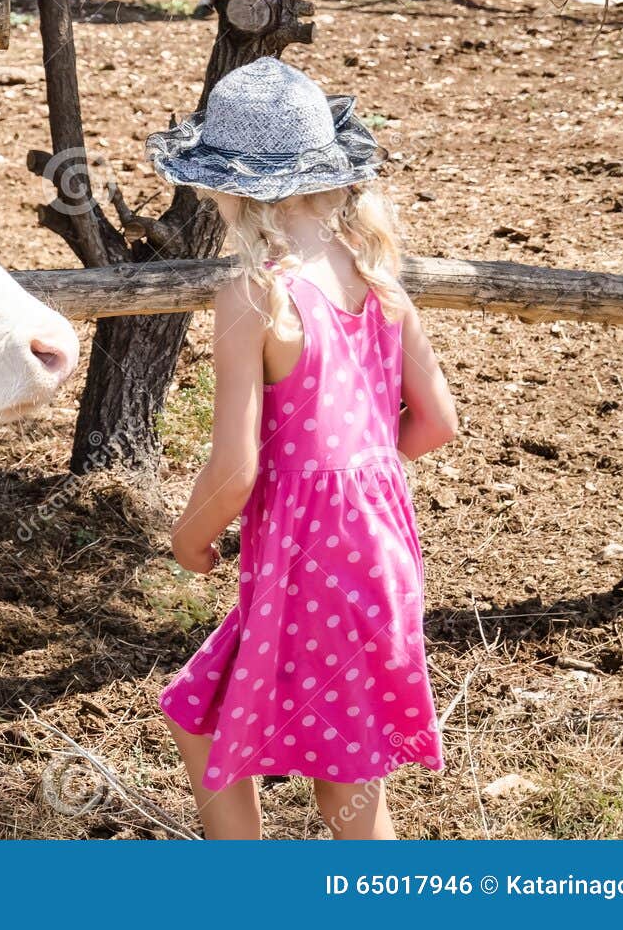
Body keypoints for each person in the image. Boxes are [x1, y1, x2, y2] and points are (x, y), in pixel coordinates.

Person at [145, 57, 459, 840]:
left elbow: (237, 466)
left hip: (307, 560)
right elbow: (437, 424)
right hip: (380, 555)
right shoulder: (380, 280)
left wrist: (190, 537)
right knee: (204, 709)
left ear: (231, 187)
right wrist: (353, 471)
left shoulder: (256, 292)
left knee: (343, 788)